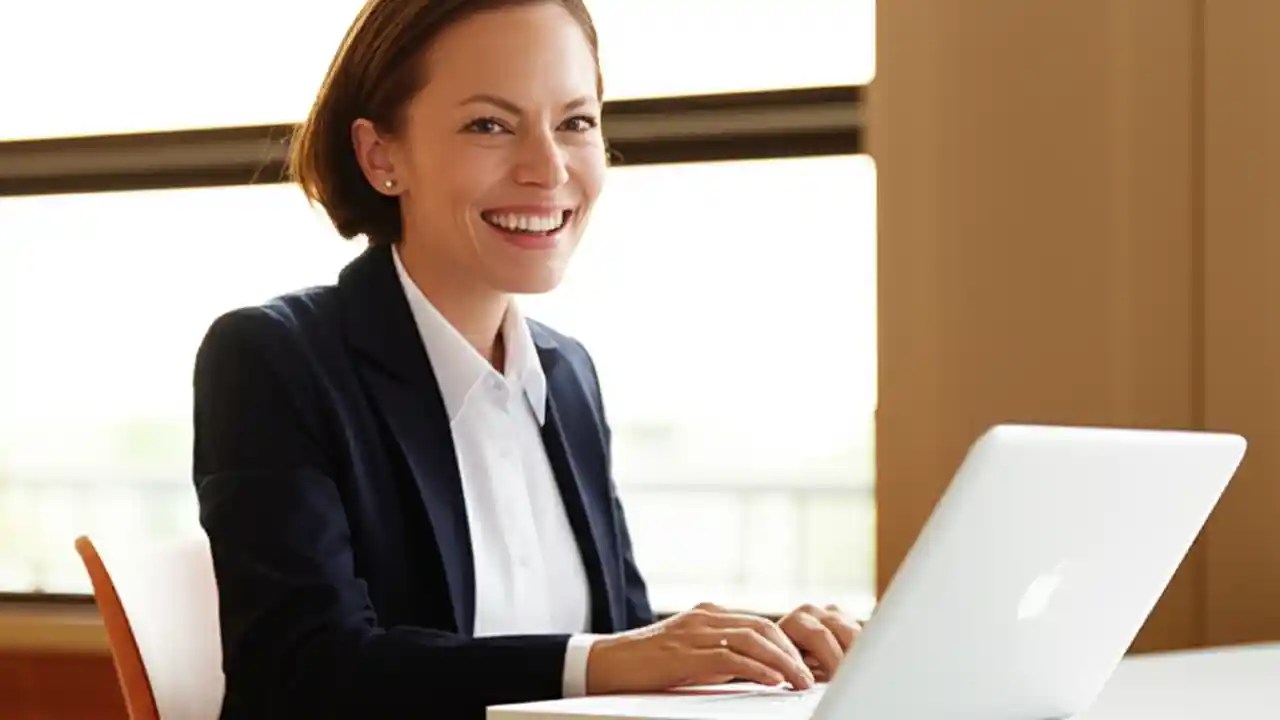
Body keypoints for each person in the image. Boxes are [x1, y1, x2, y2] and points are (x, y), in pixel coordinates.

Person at [192, 0, 860, 717]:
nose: (548, 168)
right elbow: (306, 672)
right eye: (489, 125)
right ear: (381, 156)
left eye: (575, 123)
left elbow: (623, 642)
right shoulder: (275, 359)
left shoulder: (566, 376)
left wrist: (755, 651)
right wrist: (614, 658)